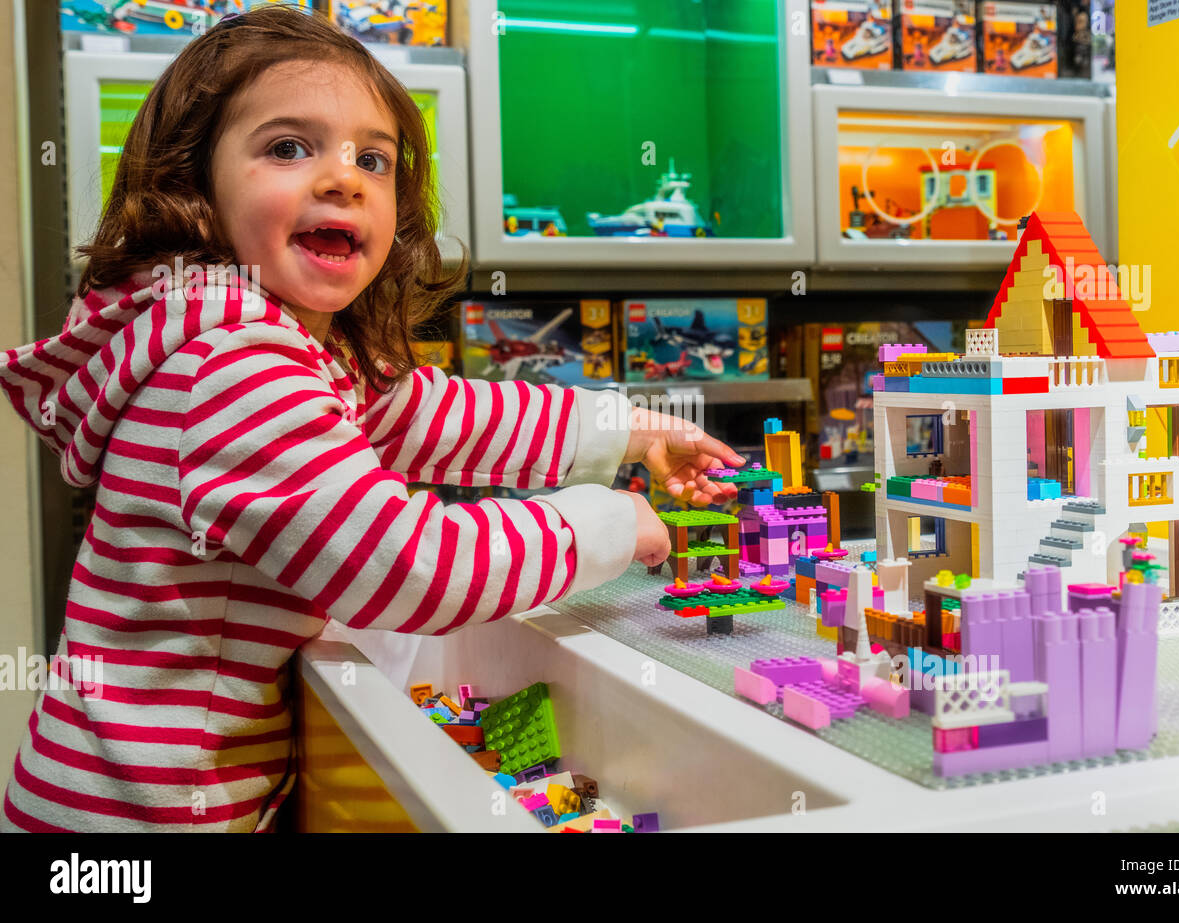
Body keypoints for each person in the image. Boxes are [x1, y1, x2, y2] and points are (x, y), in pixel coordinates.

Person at [0, 6, 741, 832]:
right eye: (288, 147)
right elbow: (411, 565)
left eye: (374, 158)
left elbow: (437, 412)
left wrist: (633, 431)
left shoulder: (274, 344)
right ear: (195, 188)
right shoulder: (230, 365)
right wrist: (609, 520)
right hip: (133, 822)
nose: (342, 176)